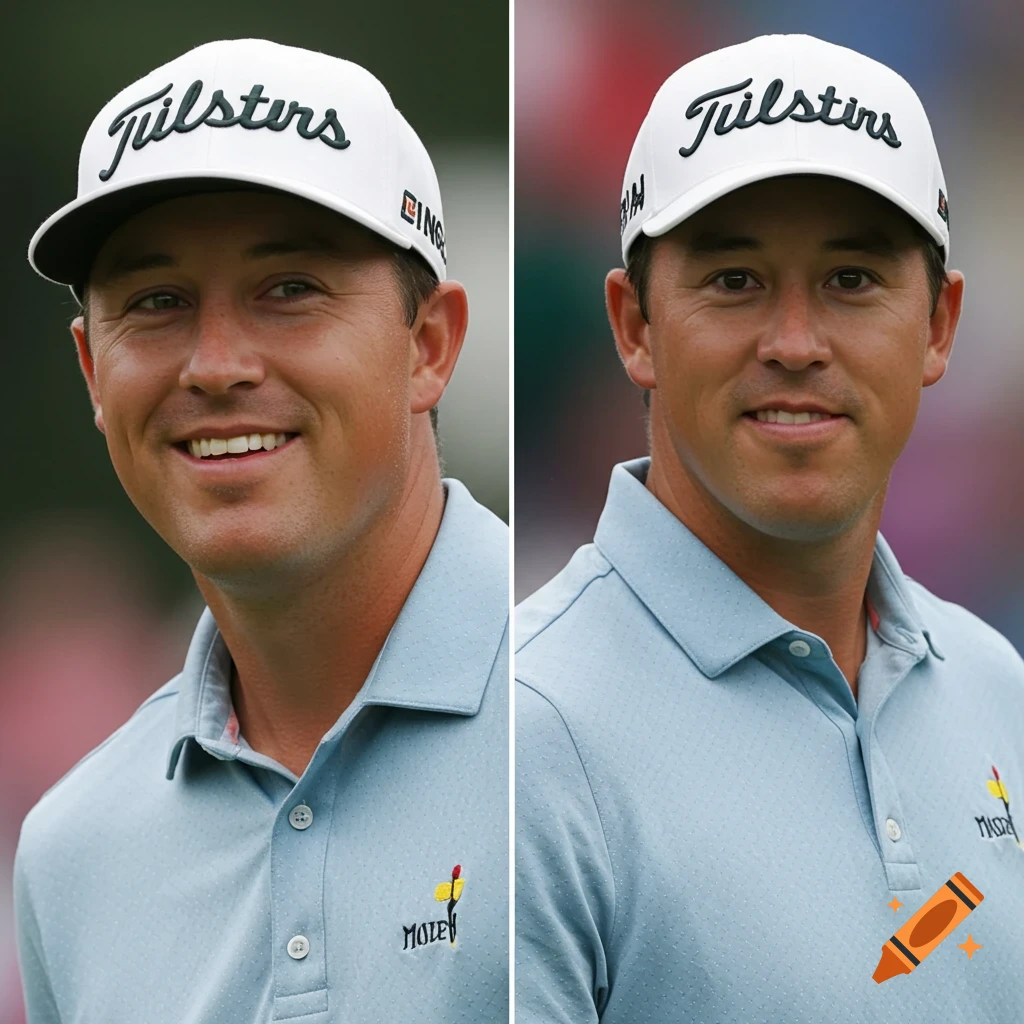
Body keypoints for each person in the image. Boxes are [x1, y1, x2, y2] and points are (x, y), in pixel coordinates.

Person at [516, 33, 1024, 1024]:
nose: (795, 342)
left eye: (851, 280)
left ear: (937, 326)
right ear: (632, 325)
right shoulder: (531, 740)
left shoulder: (998, 688)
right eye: (734, 280)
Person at [15, 38, 508, 1023]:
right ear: (91, 374)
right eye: (156, 302)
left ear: (430, 345)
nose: (216, 364)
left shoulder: (609, 716)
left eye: (288, 290)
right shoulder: (71, 855)